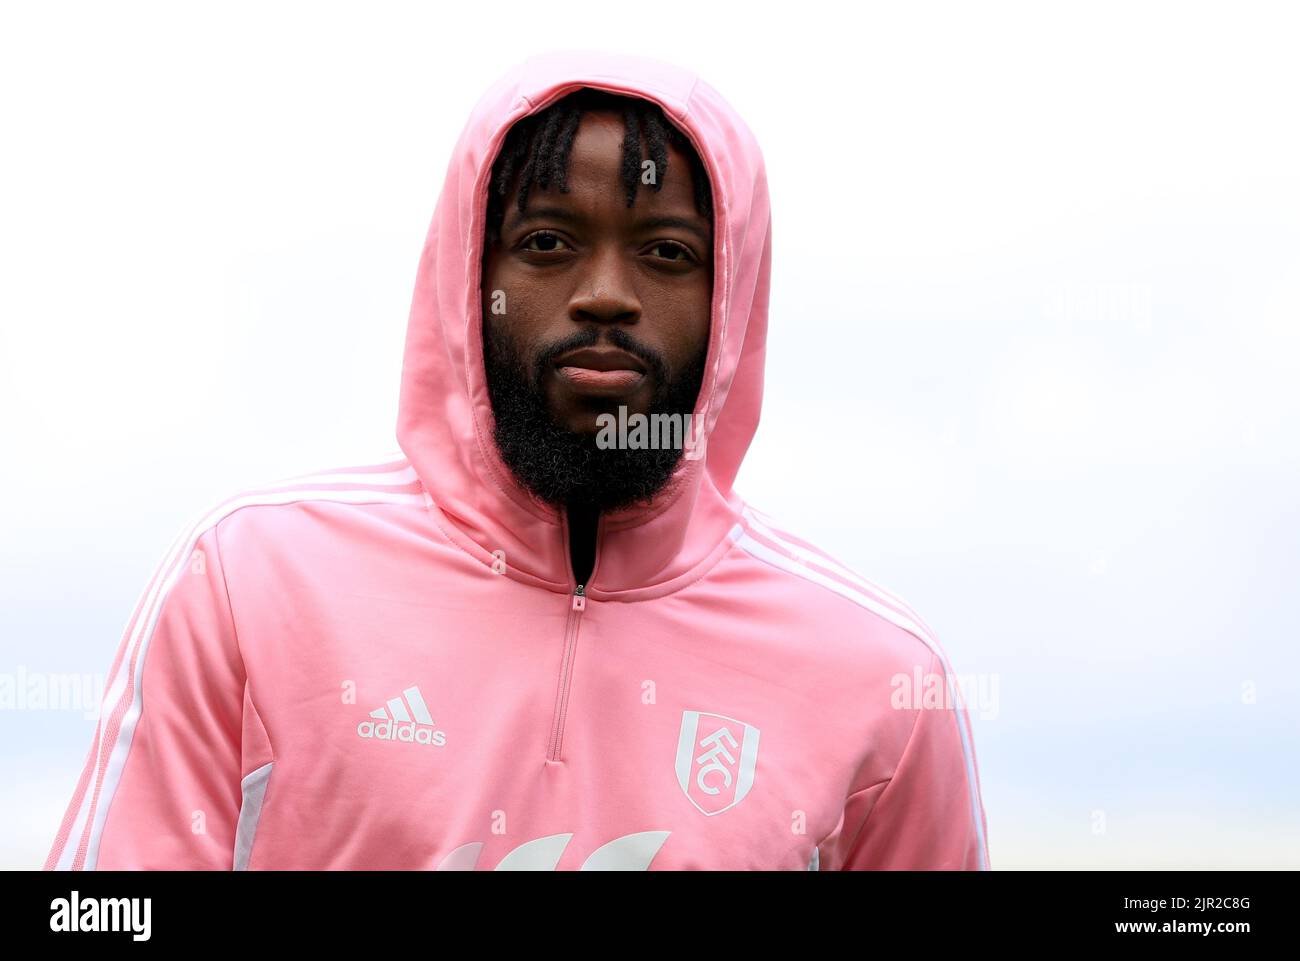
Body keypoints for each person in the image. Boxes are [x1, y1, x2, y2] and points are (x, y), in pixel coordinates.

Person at [45, 50, 989, 871]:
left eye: (666, 251)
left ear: (731, 299)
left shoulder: (878, 680)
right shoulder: (251, 584)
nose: (607, 295)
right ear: (471, 274)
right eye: (546, 243)